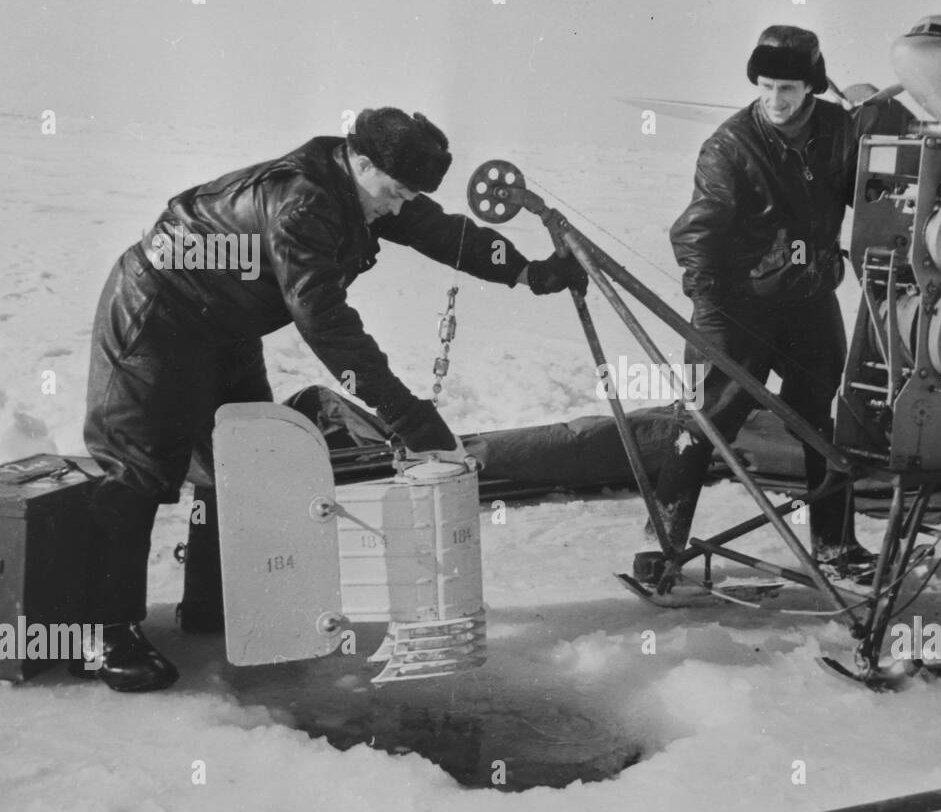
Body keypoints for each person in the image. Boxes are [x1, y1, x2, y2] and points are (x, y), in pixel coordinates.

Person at [75, 107, 586, 692]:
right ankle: (104, 637)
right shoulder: (305, 203)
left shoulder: (362, 184)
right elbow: (324, 320)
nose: (397, 207)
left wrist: (525, 272)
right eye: (394, 193)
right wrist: (405, 414)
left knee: (243, 463)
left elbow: (439, 230)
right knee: (136, 467)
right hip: (158, 310)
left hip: (226, 321)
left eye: (405, 196)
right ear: (361, 161)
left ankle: (214, 603)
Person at [636, 25, 881, 590]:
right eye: (767, 86)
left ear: (812, 88)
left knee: (819, 415)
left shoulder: (840, 131)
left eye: (789, 88)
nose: (776, 100)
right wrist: (708, 306)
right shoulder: (731, 147)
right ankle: (662, 544)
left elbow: (867, 191)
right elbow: (698, 232)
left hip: (808, 296)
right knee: (704, 419)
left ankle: (835, 545)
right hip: (736, 302)